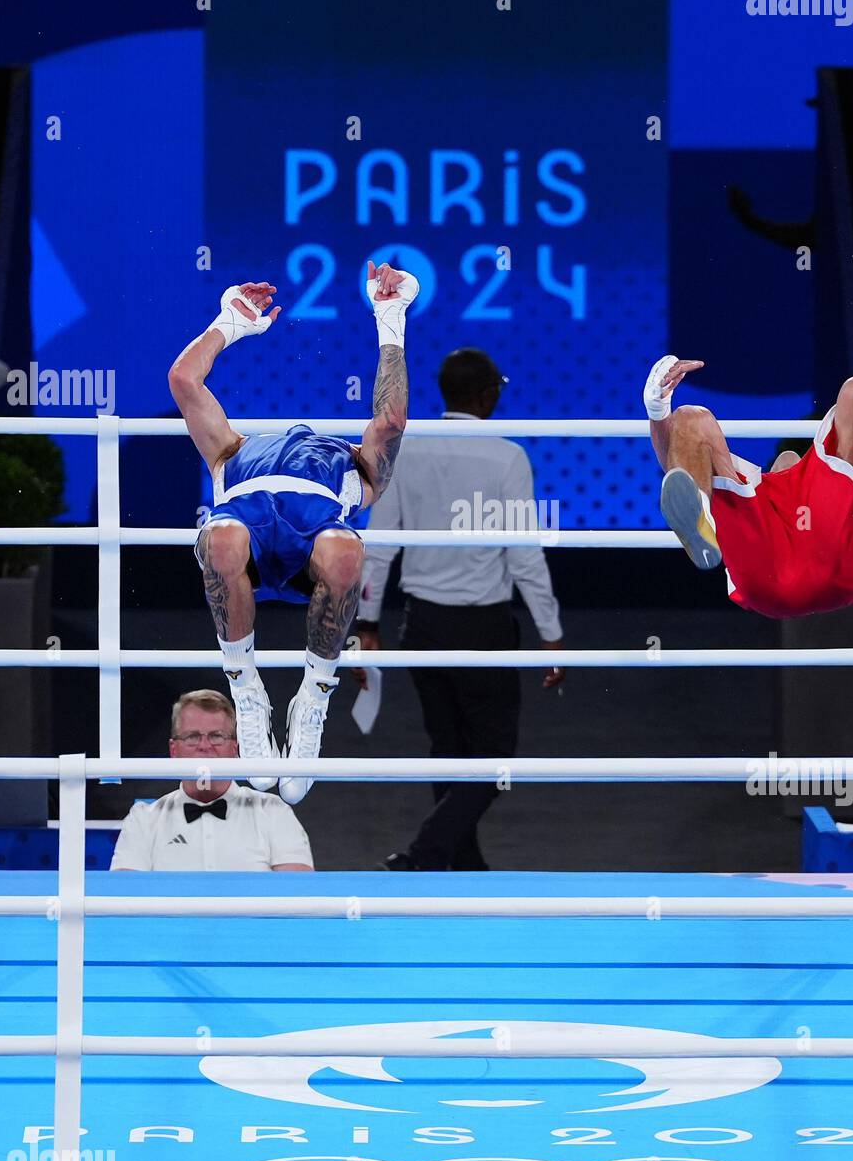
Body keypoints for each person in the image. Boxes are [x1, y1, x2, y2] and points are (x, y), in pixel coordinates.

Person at [168, 264, 416, 805]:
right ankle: (246, 691)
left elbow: (392, 418)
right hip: (243, 542)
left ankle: (313, 698)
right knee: (221, 537)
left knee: (349, 550)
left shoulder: (357, 466)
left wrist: (390, 316)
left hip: (319, 548)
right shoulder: (230, 451)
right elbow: (184, 381)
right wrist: (228, 322)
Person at [355, 348, 565, 872]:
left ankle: (466, 866)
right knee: (493, 757)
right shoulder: (507, 457)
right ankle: (426, 855)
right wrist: (552, 633)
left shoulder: (409, 452)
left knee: (449, 748)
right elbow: (523, 554)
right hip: (483, 628)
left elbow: (379, 546)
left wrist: (365, 624)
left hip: (422, 625)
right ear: (486, 395)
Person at [646, 343, 853, 619]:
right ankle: (701, 522)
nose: (791, 458)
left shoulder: (829, 478)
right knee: (689, 418)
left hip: (776, 579)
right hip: (806, 568)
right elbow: (681, 479)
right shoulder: (754, 495)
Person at [110, 690, 313, 871]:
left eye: (216, 736)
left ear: (235, 748)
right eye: (192, 736)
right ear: (174, 750)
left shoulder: (273, 811)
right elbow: (123, 902)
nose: (205, 746)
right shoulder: (144, 820)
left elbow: (299, 898)